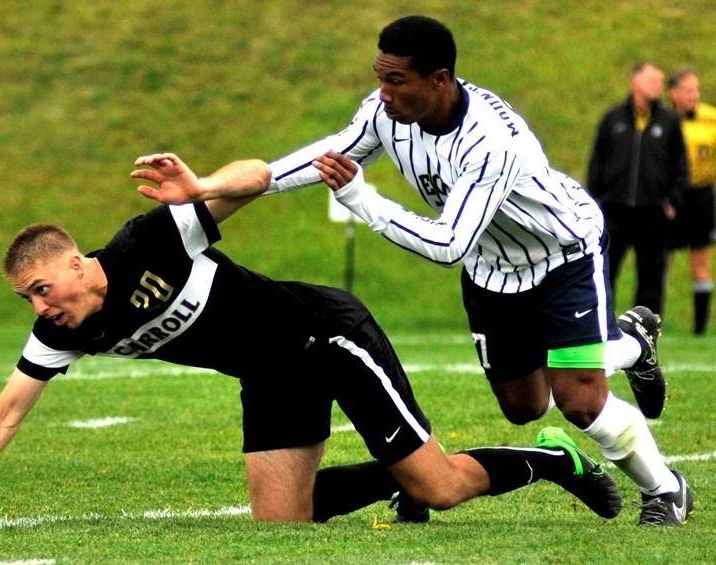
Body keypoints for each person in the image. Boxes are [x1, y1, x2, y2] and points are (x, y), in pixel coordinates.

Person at [135, 16, 693, 526]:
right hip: (492, 269)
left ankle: (666, 490)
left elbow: (448, 245)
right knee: (522, 406)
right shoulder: (388, 113)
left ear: (439, 79)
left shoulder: (490, 143)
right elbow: (323, 157)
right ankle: (630, 344)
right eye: (380, 78)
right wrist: (206, 187)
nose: (383, 93)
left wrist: (365, 200)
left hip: (561, 255)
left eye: (396, 80)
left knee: (580, 400)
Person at [0, 155, 625, 527]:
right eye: (28, 299)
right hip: (270, 377)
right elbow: (6, 411)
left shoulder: (148, 243)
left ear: (76, 265)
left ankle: (552, 460)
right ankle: (400, 477)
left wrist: (202, 184)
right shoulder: (64, 328)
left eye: (43, 288)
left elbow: (260, 175)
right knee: (282, 523)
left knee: (442, 486)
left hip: (326, 335)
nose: (40, 307)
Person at [587, 61, 689, 317]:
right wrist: (595, 198)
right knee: (605, 269)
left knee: (651, 278)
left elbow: (681, 165)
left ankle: (646, 330)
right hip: (615, 210)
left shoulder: (668, 121)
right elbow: (597, 160)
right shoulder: (613, 118)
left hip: (653, 212)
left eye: (660, 82)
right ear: (635, 82)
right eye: (652, 80)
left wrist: (673, 201)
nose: (657, 86)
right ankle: (603, 323)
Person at [666, 68, 716, 336]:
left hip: (701, 196)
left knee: (700, 264)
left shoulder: (710, 118)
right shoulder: (663, 120)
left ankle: (699, 331)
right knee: (661, 261)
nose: (694, 95)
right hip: (672, 197)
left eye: (696, 89)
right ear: (673, 93)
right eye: (688, 90)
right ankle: (654, 322)